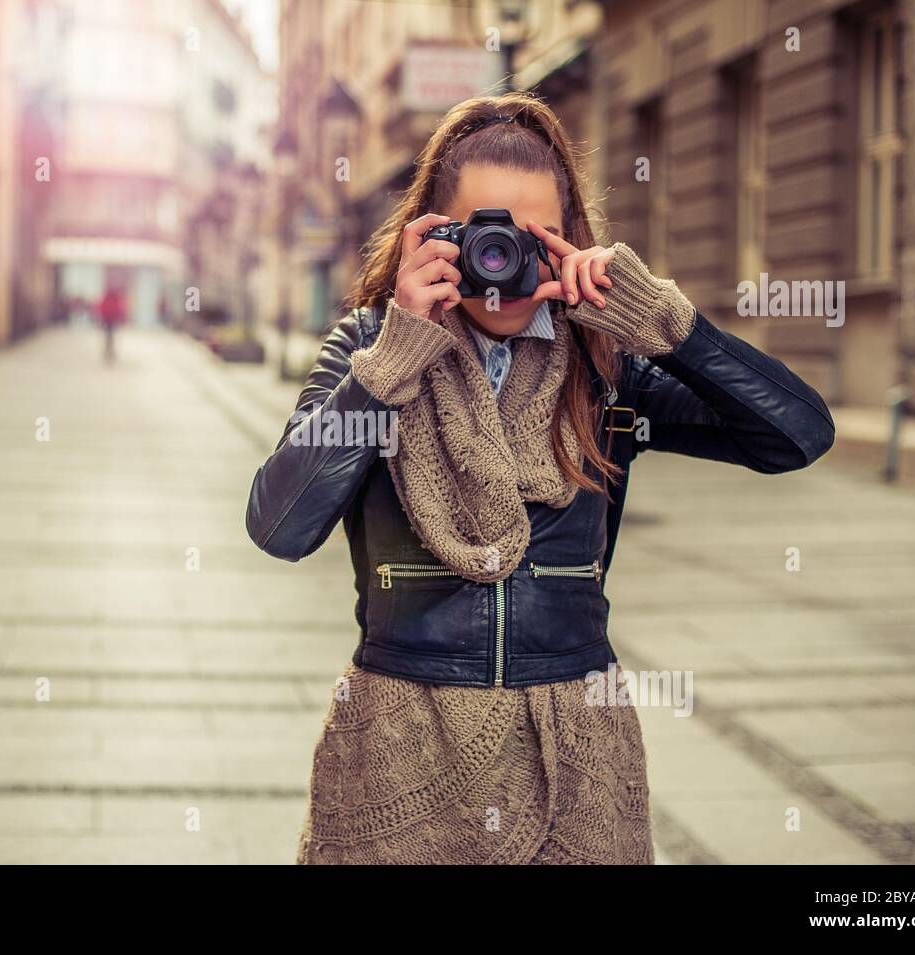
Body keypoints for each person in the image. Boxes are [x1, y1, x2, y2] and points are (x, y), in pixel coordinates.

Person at [245, 92, 836, 864]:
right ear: (435, 235)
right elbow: (280, 525)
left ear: (567, 238)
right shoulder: (370, 347)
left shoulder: (604, 366)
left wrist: (666, 325)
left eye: (532, 238)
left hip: (576, 752)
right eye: (484, 234)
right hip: (400, 746)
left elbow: (798, 435)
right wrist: (391, 361)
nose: (504, 262)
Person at [98, 285, 129, 363]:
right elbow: (119, 309)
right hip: (110, 320)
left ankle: (109, 350)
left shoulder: (109, 298)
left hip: (108, 320)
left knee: (109, 336)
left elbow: (102, 307)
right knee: (110, 336)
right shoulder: (113, 299)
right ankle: (109, 350)